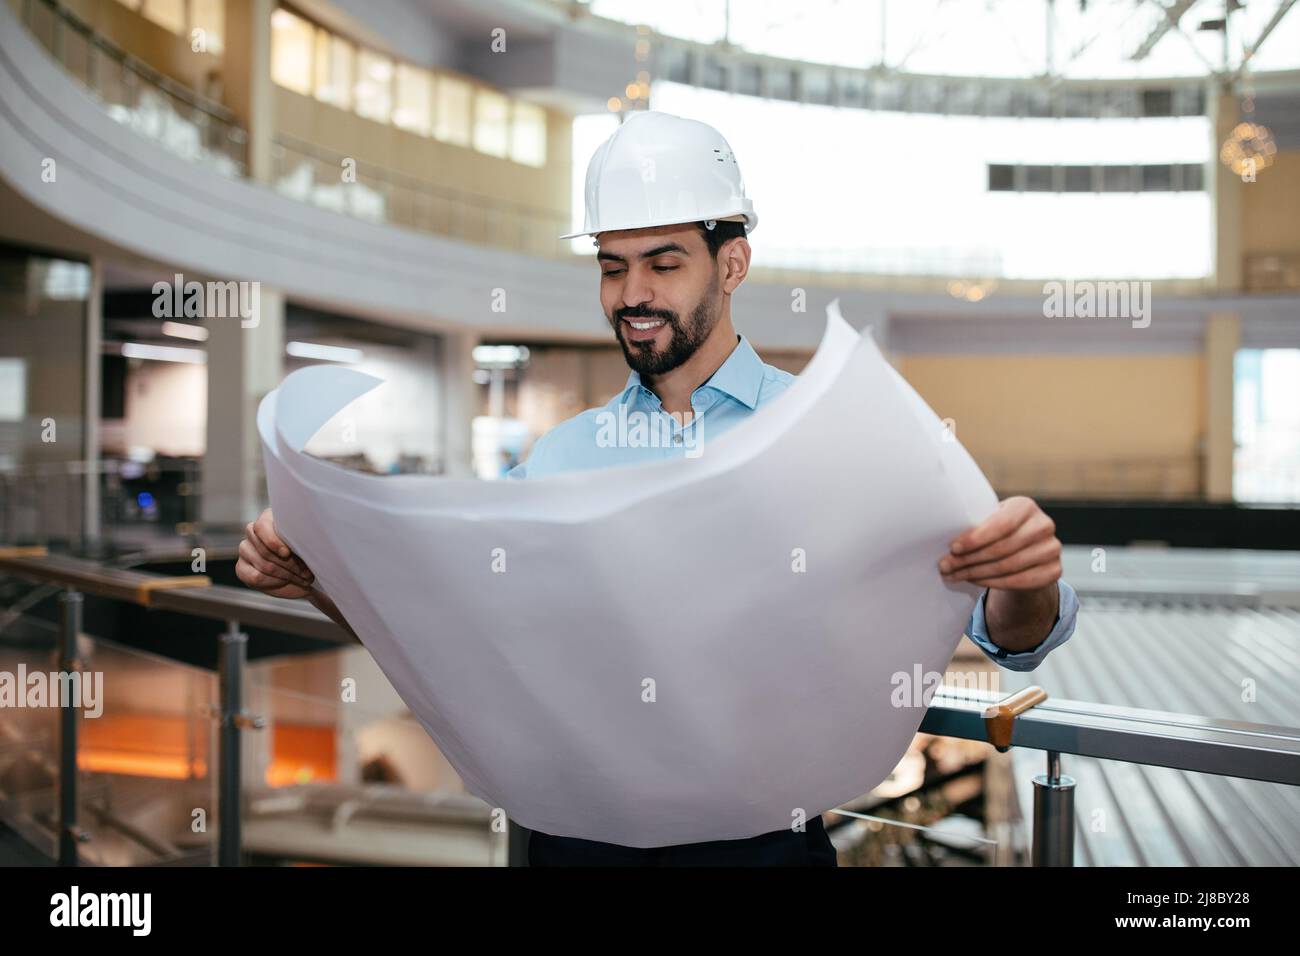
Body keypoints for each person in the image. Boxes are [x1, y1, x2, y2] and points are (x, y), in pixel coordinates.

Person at [237, 110, 1079, 867]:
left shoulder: (836, 434)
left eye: (663, 263)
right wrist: (316, 579)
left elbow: (1012, 635)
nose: (632, 295)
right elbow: (444, 637)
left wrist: (1026, 579)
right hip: (573, 847)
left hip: (758, 853)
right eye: (612, 267)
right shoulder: (561, 458)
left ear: (733, 263)